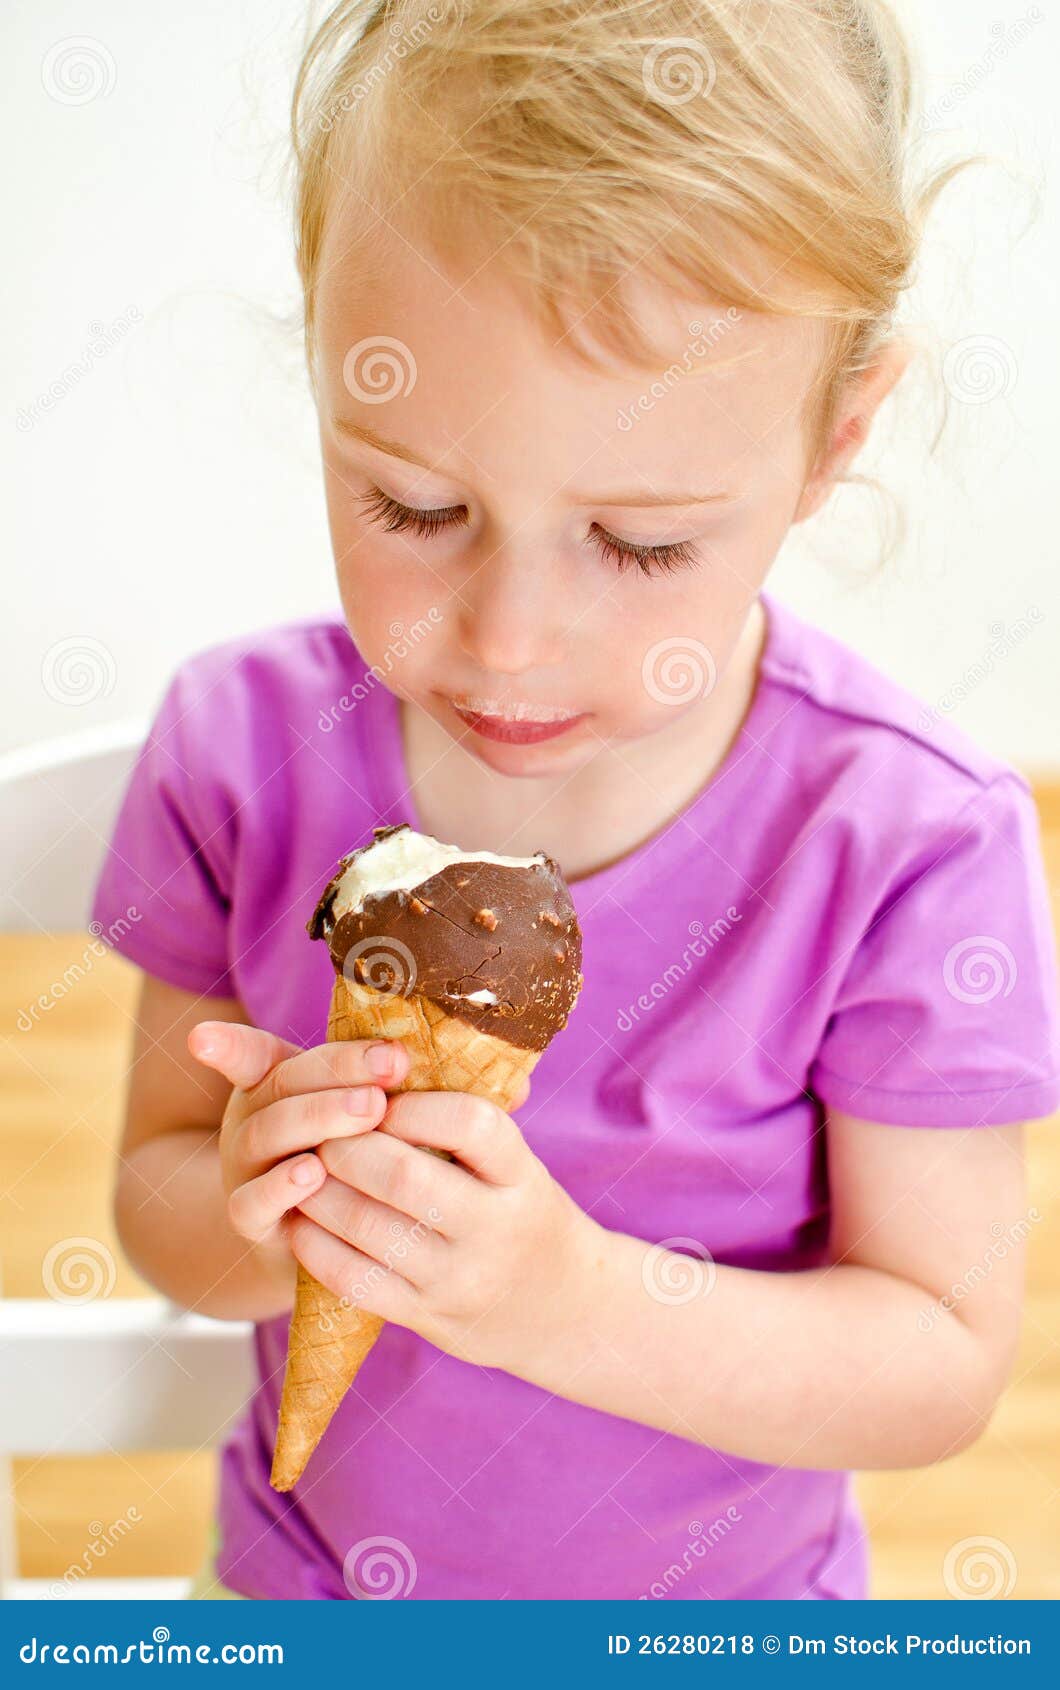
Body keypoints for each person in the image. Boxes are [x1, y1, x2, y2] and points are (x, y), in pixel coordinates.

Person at [94, 0, 1059, 1600]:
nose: (507, 637)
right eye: (415, 504)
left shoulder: (906, 847)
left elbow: (938, 1358)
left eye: (642, 541)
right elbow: (157, 1196)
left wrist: (568, 1299)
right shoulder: (239, 754)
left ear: (835, 439)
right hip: (307, 1599)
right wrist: (259, 1203)